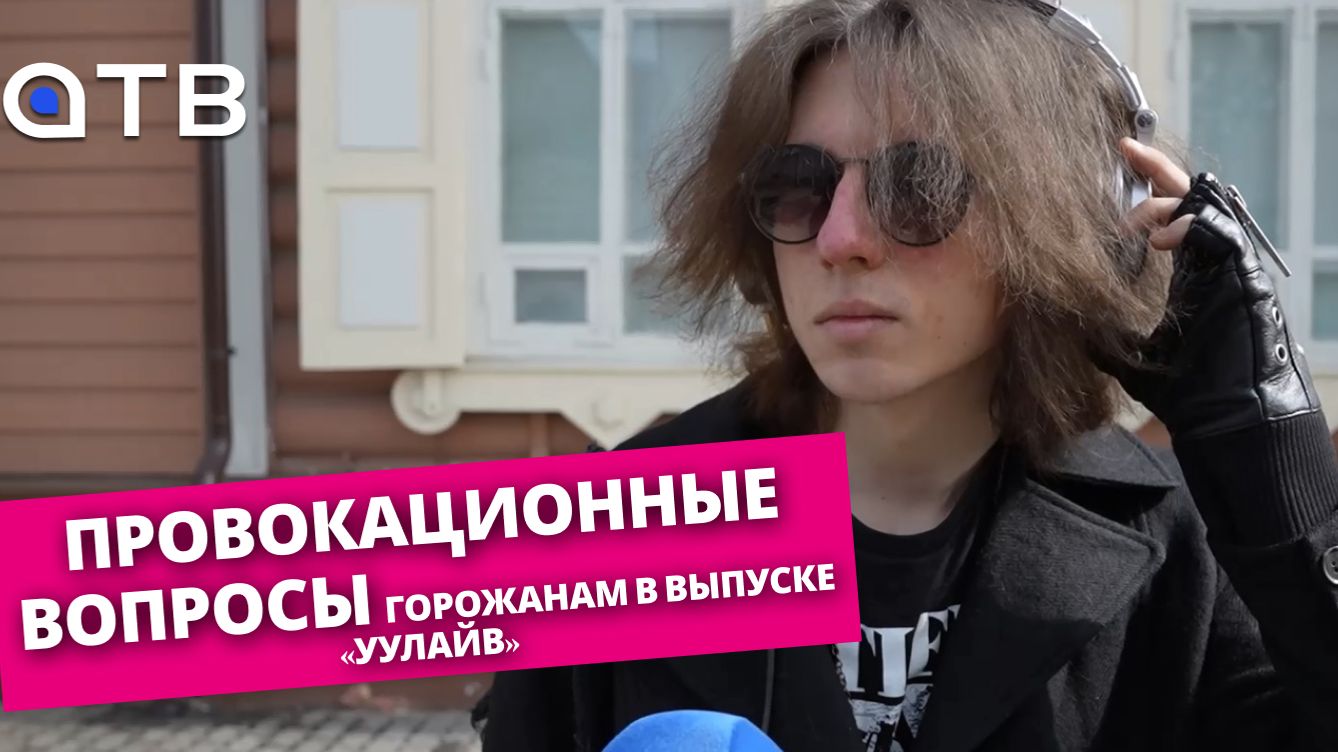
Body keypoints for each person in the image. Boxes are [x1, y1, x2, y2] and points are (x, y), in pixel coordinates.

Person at [474, 0, 1338, 749]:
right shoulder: (597, 528)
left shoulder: (1185, 544)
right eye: (796, 186)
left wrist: (1272, 468)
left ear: (1058, 224)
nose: (841, 239)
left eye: (918, 185)